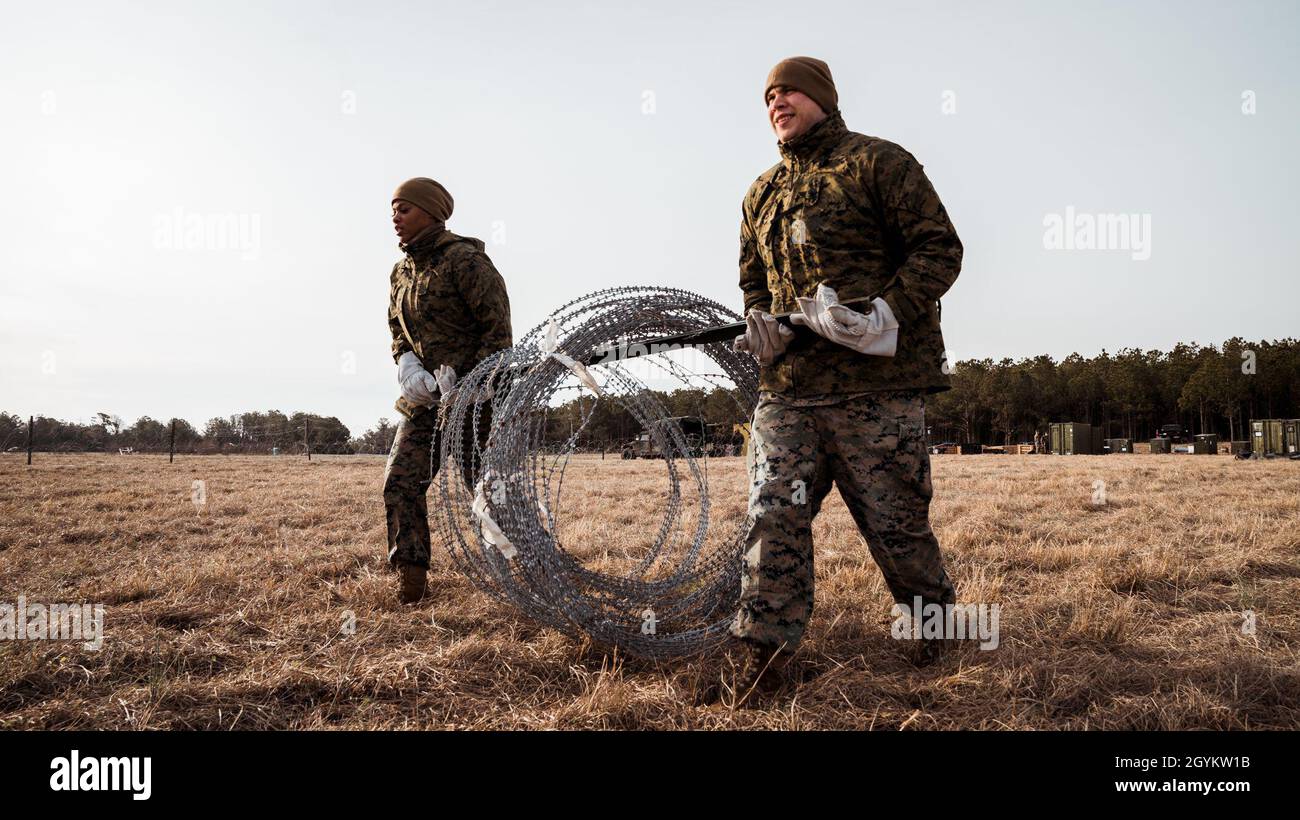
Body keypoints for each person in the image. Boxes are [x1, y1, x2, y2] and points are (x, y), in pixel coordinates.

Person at [725, 57, 964, 699]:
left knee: (895, 524)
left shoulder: (880, 164)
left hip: (875, 390)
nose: (778, 102)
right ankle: (765, 658)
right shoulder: (761, 193)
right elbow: (754, 284)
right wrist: (761, 328)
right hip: (790, 390)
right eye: (769, 95)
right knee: (772, 514)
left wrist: (885, 311)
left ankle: (938, 632)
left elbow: (940, 249)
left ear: (824, 99)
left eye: (791, 91)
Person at [383, 177, 512, 604]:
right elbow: (397, 330)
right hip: (426, 403)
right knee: (401, 482)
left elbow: (498, 333)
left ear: (432, 212)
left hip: (478, 403)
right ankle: (412, 582)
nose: (395, 217)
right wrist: (407, 364)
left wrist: (472, 383)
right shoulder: (400, 271)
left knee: (490, 493)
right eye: (393, 209)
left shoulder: (466, 261)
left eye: (404, 208)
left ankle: (524, 576)